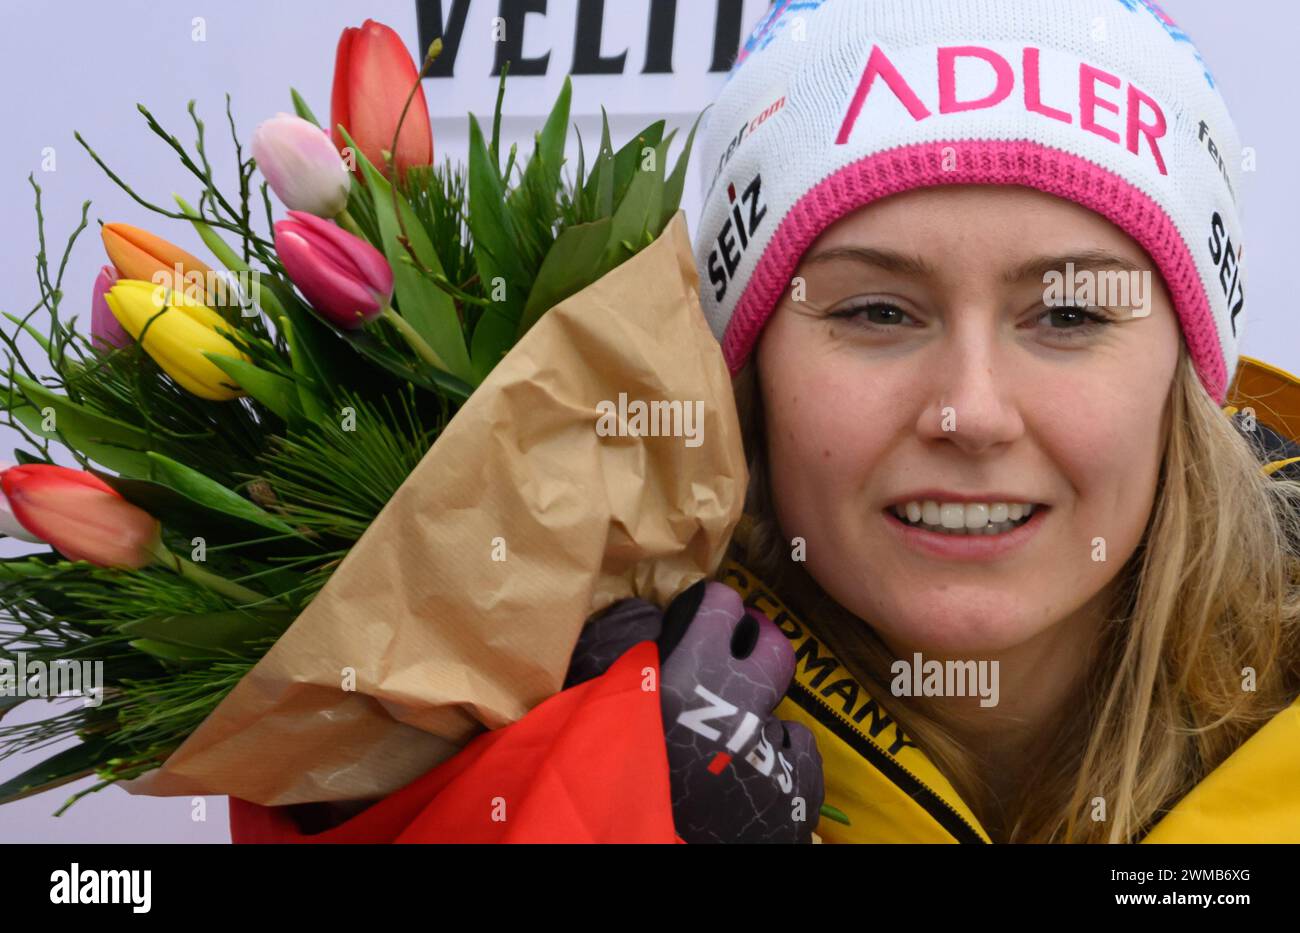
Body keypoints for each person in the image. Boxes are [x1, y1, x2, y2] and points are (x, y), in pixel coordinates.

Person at [694, 0, 1300, 842]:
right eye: (877, 312)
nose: (970, 413)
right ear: (750, 365)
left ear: (1185, 378)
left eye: (1069, 314)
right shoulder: (544, 725)